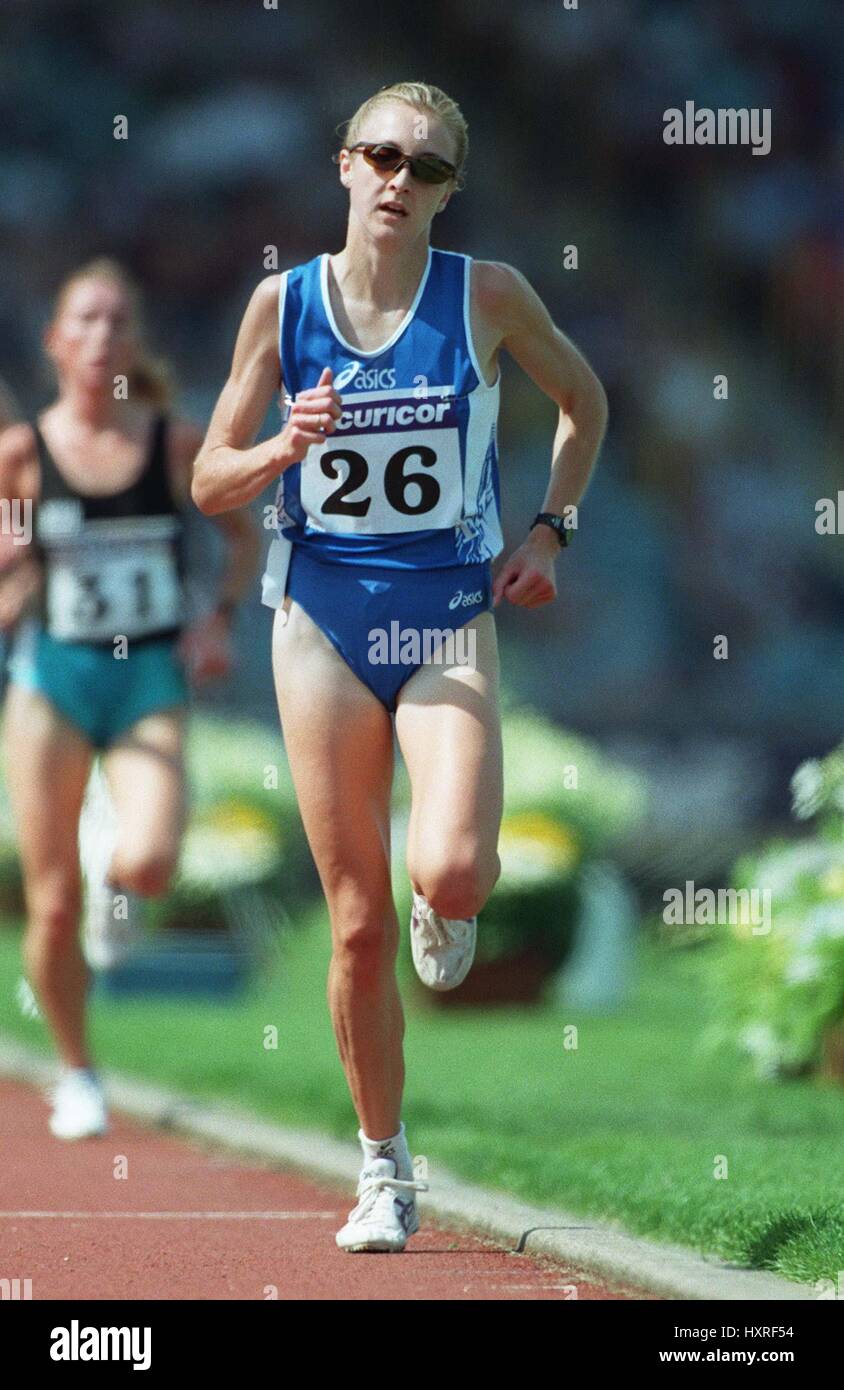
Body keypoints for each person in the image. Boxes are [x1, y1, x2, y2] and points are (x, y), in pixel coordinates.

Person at [192, 82, 608, 1252]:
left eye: (424, 167)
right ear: (342, 165)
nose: (397, 180)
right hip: (321, 616)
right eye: (380, 156)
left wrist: (547, 529)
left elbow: (583, 400)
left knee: (457, 870)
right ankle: (383, 1167)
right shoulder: (283, 305)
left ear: (448, 190)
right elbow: (209, 479)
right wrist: (284, 443)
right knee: (358, 925)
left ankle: (449, 903)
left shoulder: (486, 295)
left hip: (444, 611)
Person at [0, 259, 258, 1139]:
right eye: (86, 319)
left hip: (148, 676)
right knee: (52, 900)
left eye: (118, 321)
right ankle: (77, 1073)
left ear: (134, 343)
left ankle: (118, 856)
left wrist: (217, 620)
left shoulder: (174, 443)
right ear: (56, 341)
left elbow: (238, 535)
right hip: (52, 678)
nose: (102, 335)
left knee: (148, 862)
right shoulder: (21, 456)